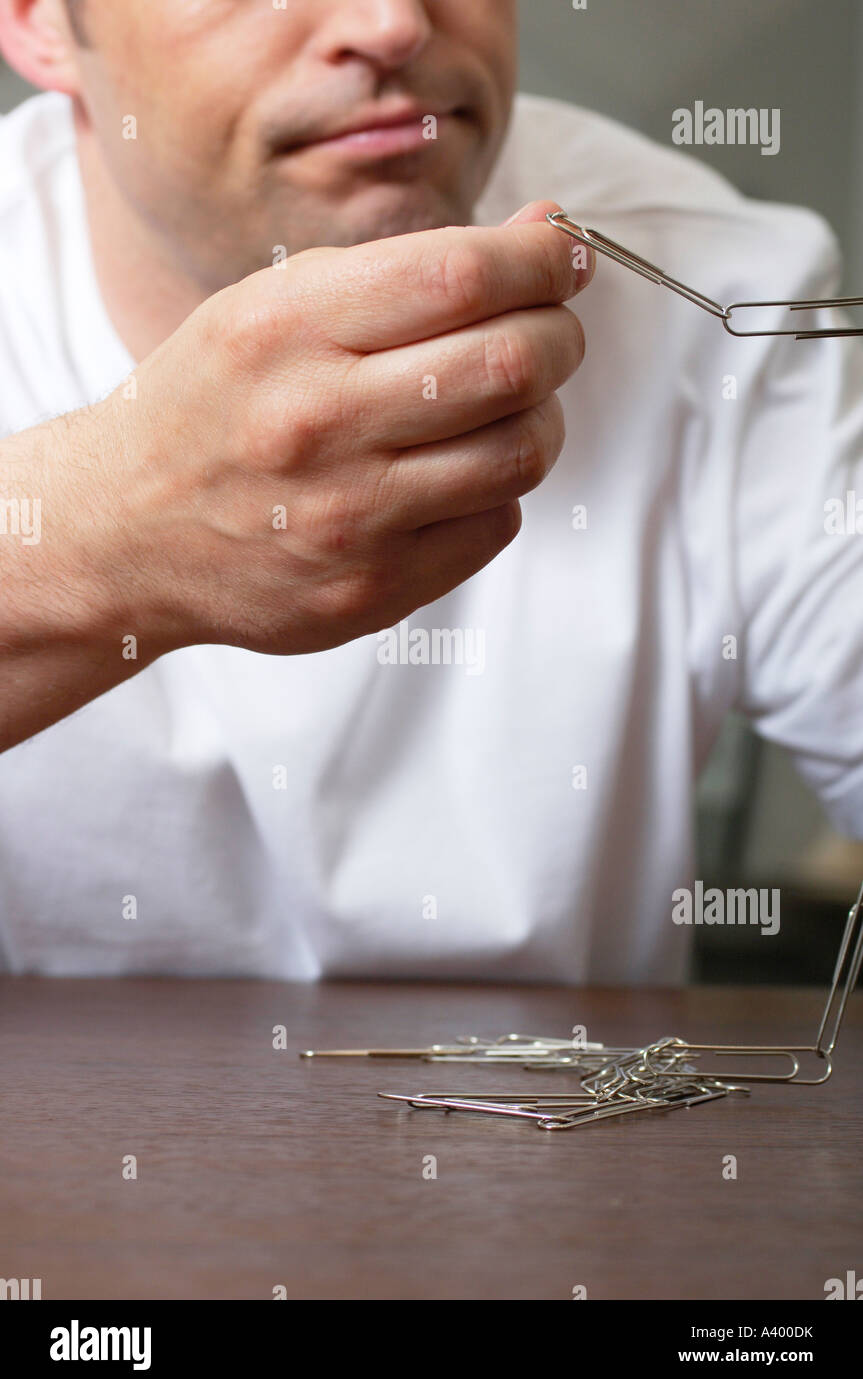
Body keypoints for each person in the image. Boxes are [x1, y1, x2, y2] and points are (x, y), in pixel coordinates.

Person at [0, 0, 860, 981]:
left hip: (557, 1124)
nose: (391, 23)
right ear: (42, 26)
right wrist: (113, 526)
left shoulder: (717, 279)